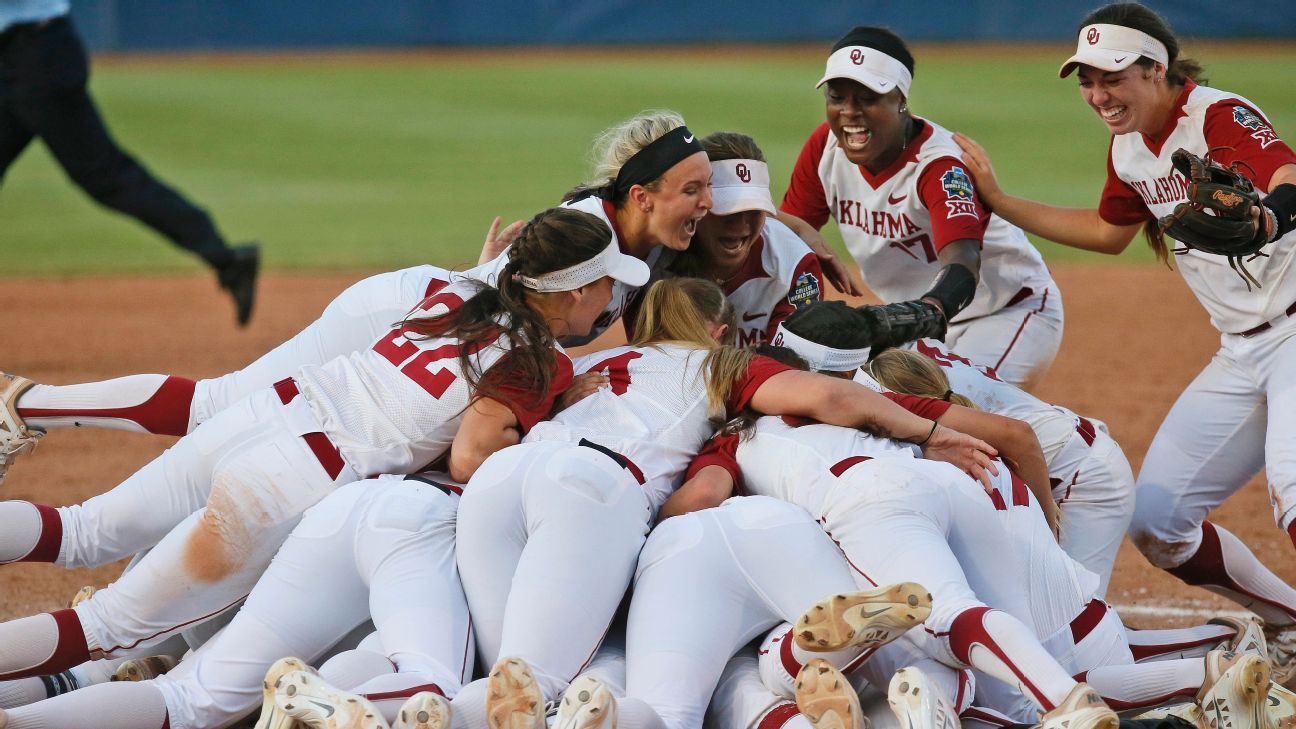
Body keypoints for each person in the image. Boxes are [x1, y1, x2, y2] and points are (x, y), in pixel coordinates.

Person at [0, 208, 644, 711]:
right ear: (572, 291)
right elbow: (473, 458)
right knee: (107, 625)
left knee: (83, 528)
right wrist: (544, 416)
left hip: (263, 416)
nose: (612, 295)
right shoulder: (539, 361)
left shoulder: (455, 291)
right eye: (605, 282)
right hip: (290, 480)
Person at [0, 110, 711, 486]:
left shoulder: (636, 243)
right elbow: (504, 310)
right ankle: (26, 405)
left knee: (232, 417)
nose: (705, 205)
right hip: (398, 314)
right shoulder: (592, 231)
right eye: (692, 191)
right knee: (219, 406)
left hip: (431, 313)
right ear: (641, 195)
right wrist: (484, 275)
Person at [444, 277, 999, 729]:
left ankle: (403, 708)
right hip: (594, 491)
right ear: (721, 330)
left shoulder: (595, 361)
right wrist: (927, 433)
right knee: (539, 680)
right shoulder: (721, 365)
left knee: (510, 672)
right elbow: (828, 395)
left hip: (498, 481)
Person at [953, 2, 1296, 681]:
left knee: (1293, 481)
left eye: (1113, 77)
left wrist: (1265, 218)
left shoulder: (1218, 116)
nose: (1098, 95)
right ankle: (1289, 618)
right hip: (1240, 350)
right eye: (1086, 80)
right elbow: (1110, 232)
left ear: (1155, 69)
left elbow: (1288, 173)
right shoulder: (1130, 148)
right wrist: (1000, 198)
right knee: (1159, 521)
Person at [778, 26, 1063, 389]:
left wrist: (930, 310)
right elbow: (788, 237)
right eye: (837, 98)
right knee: (887, 411)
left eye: (867, 98)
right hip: (916, 322)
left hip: (1006, 311)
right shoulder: (825, 148)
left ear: (900, 99)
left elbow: (963, 262)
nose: (849, 112)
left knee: (960, 405)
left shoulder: (939, 166)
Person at [0, 2, 259, 325]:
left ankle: (227, 258)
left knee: (106, 176)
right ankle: (226, 259)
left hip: (36, 56)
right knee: (106, 175)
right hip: (19, 54)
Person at [863, 342, 1135, 596]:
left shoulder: (933, 416)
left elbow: (1022, 438)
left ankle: (1174, 646)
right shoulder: (914, 354)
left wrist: (1046, 541)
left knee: (1073, 618)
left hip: (1085, 477)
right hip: (1063, 451)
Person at [663, 131, 825, 348]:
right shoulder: (658, 253)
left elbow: (793, 365)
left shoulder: (794, 263)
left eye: (753, 209)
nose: (740, 223)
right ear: (697, 206)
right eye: (726, 209)